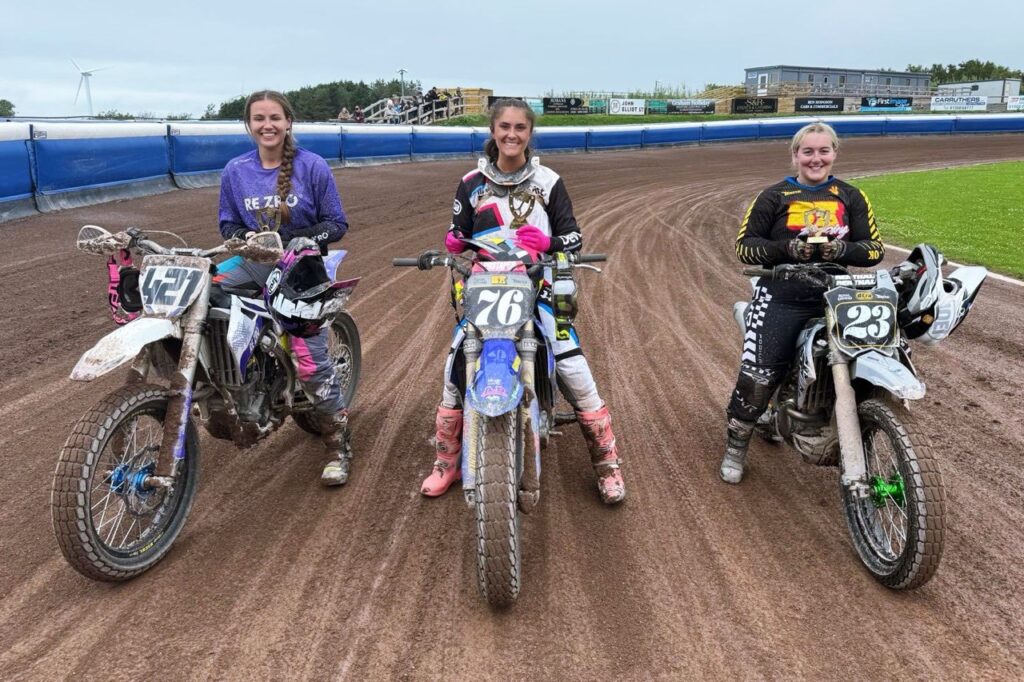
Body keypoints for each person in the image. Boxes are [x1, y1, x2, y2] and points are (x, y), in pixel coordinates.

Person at [419, 98, 626, 505]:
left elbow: (573, 237)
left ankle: (607, 464)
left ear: (530, 134)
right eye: (505, 127)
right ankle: (446, 461)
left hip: (536, 285)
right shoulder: (471, 182)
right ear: (493, 131)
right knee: (455, 366)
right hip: (486, 287)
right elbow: (456, 233)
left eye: (520, 128)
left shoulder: (548, 181)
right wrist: (453, 242)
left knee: (573, 366)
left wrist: (549, 243)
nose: (512, 135)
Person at [721, 122, 885, 484]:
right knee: (759, 376)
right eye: (807, 151)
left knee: (871, 355)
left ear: (834, 153)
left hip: (835, 296)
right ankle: (737, 442)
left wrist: (842, 249)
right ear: (795, 155)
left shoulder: (851, 196)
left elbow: (874, 249)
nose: (816, 158)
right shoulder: (773, 196)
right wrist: (786, 249)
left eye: (823, 150)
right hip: (782, 294)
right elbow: (745, 246)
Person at [216, 90, 355, 486]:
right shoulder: (235, 171)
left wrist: (301, 239)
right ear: (249, 125)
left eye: (274, 117)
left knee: (310, 360)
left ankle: (337, 442)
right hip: (252, 263)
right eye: (259, 118)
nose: (267, 125)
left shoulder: (312, 166)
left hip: (303, 268)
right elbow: (226, 224)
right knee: (205, 296)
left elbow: (337, 223)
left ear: (288, 122)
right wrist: (245, 237)